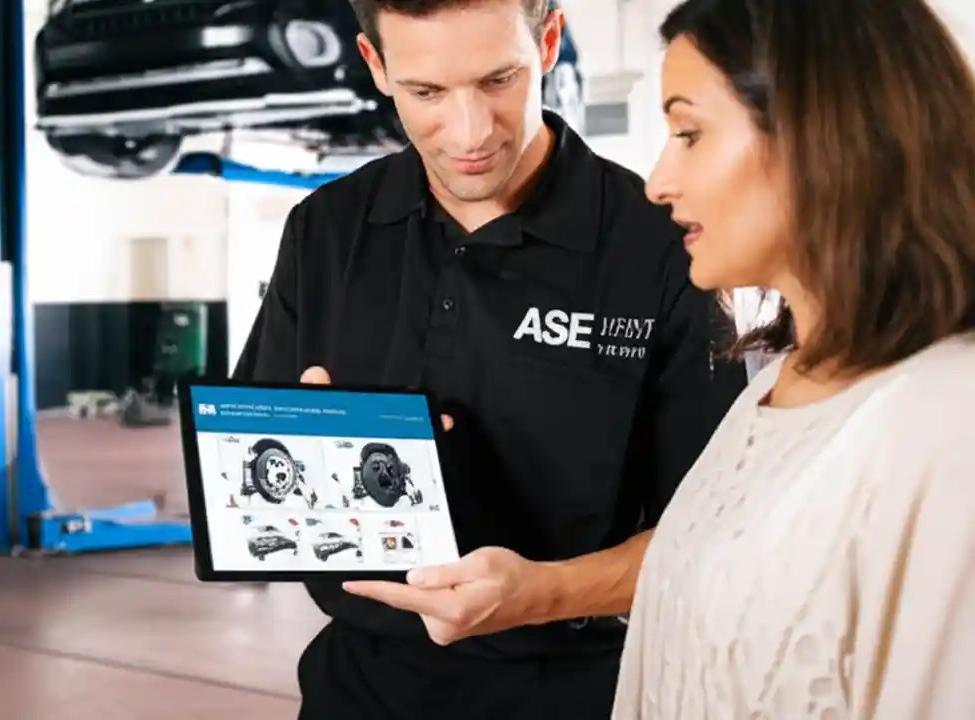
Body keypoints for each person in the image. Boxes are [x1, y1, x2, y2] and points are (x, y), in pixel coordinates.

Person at [346, 0, 975, 717]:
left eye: (688, 132)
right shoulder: (770, 399)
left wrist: (547, 592)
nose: (657, 181)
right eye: (427, 90)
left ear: (831, 139)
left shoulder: (947, 429)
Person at [230, 0, 748, 717]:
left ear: (549, 42)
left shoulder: (660, 248)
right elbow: (254, 488)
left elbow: (718, 533)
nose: (470, 131)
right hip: (357, 686)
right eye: (427, 93)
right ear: (377, 66)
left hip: (576, 690)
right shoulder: (324, 231)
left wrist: (545, 594)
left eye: (498, 79)